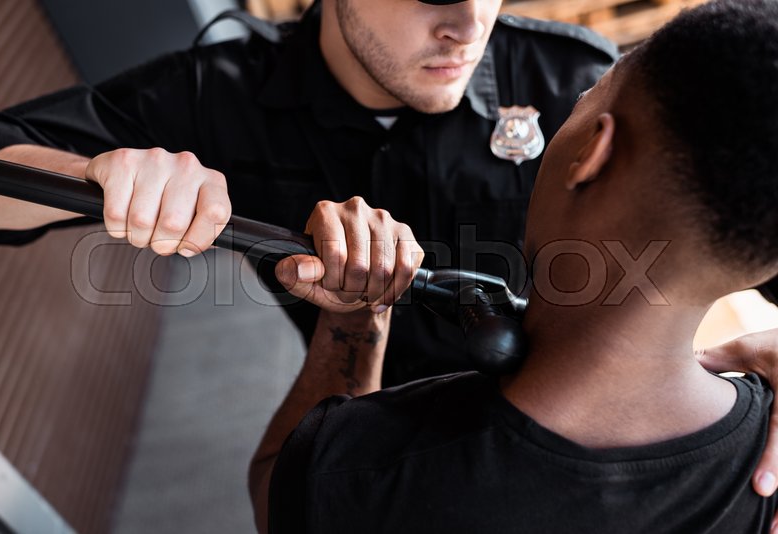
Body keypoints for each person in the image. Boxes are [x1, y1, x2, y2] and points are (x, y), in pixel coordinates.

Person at [0, 0, 778, 503]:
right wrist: (93, 173)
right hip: (370, 448)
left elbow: (744, 195)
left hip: (582, 438)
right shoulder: (216, 90)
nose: (469, 26)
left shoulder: (572, 75)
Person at [251, 1, 778, 531]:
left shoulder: (362, 471)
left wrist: (354, 317)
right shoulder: (767, 471)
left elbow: (274, 494)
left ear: (593, 152)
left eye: (582, 104)